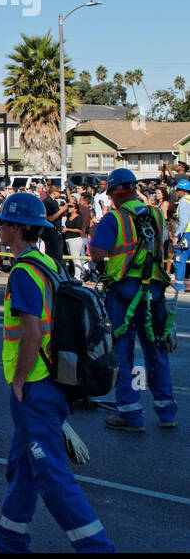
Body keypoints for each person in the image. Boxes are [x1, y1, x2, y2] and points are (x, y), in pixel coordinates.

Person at [0, 192, 114, 553]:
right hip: (54, 380)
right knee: (22, 467)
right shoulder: (47, 263)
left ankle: (99, 551)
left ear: (16, 228)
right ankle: (10, 543)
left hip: (36, 385)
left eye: (4, 223)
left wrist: (21, 380)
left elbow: (31, 331)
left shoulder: (24, 271)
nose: (0, 228)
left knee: (53, 477)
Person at [88, 168, 177, 431]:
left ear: (115, 194)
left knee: (122, 354)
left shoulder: (113, 219)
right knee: (157, 350)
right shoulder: (156, 215)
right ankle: (167, 411)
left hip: (124, 293)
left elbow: (96, 253)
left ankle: (130, 414)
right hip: (154, 292)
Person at [62, 200, 86, 281]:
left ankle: (78, 276)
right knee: (72, 258)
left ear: (76, 209)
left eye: (71, 206)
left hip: (75, 239)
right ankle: (74, 274)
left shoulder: (78, 218)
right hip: (68, 239)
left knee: (76, 258)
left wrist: (68, 229)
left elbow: (79, 230)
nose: (69, 208)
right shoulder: (68, 217)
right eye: (69, 206)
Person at [173, 179, 190, 294]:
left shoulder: (184, 201)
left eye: (177, 190)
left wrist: (176, 235)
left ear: (181, 191)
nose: (176, 193)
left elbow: (183, 222)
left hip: (187, 234)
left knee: (180, 259)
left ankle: (179, 287)